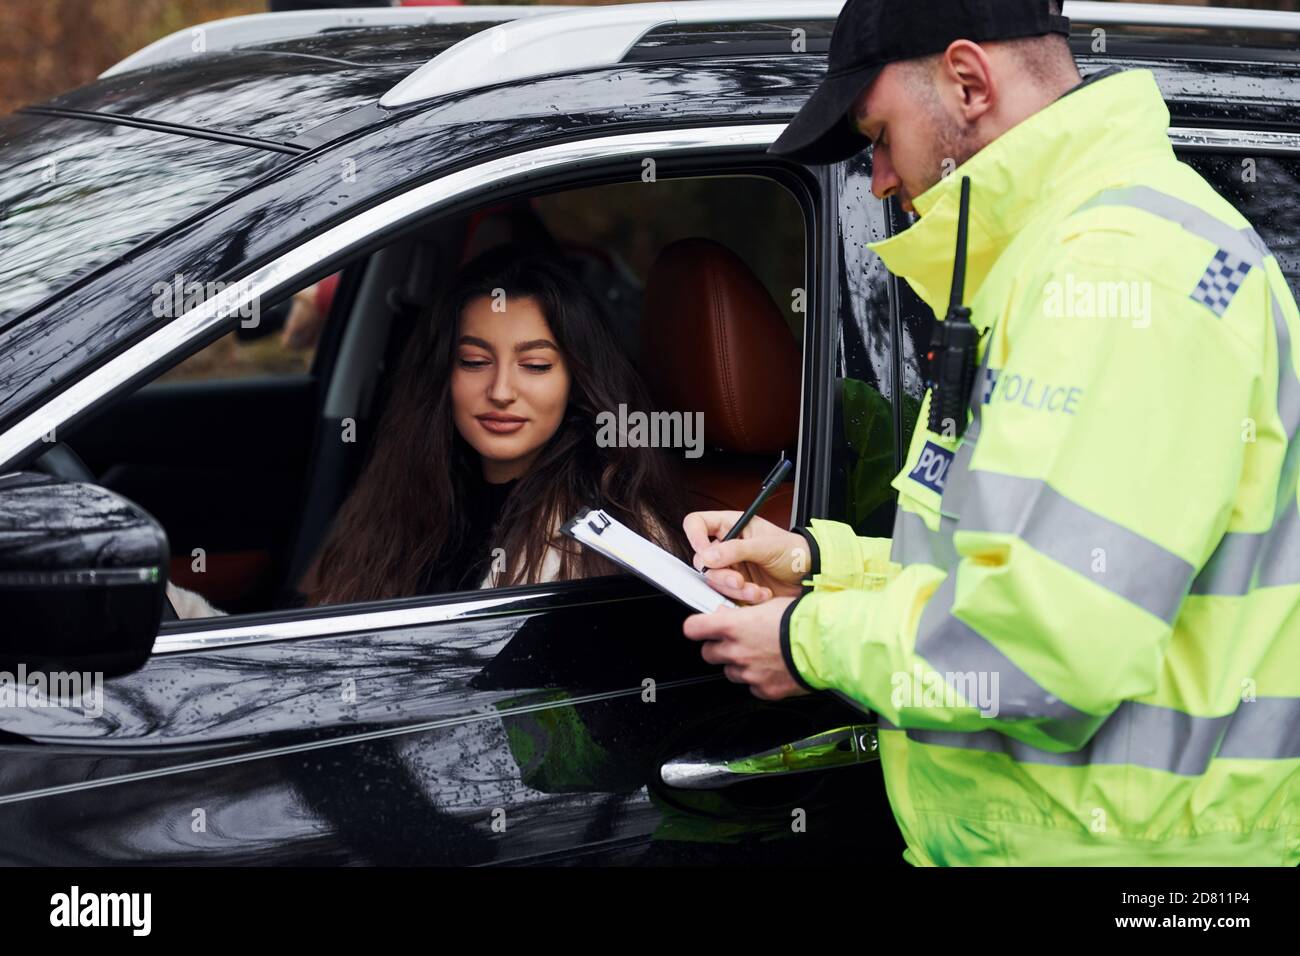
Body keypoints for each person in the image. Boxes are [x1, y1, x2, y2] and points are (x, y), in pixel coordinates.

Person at [680, 0, 1300, 866]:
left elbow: (1047, 641)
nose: (879, 180)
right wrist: (819, 567)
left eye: (878, 135)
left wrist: (805, 641)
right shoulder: (1056, 265)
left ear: (969, 82)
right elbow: (1021, 559)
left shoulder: (1118, 279)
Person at [169, 243, 686, 616]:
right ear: (444, 375)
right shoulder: (401, 493)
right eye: (474, 361)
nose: (502, 390)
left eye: (535, 366)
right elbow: (310, 662)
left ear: (577, 382)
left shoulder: (613, 533)